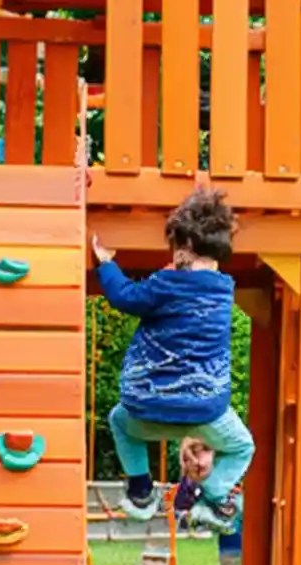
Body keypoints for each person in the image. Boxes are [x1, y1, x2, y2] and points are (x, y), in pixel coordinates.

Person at [91, 187, 255, 536]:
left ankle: (140, 493)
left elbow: (125, 296)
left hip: (146, 407)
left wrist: (106, 263)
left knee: (118, 421)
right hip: (204, 411)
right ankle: (213, 498)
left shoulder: (165, 284)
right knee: (242, 446)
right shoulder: (223, 290)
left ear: (186, 246)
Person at [173, 437, 243, 565]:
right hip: (228, 532)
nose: (198, 461)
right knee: (231, 542)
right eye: (192, 456)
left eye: (204, 452)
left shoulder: (226, 473)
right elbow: (180, 509)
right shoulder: (191, 483)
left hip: (236, 517)